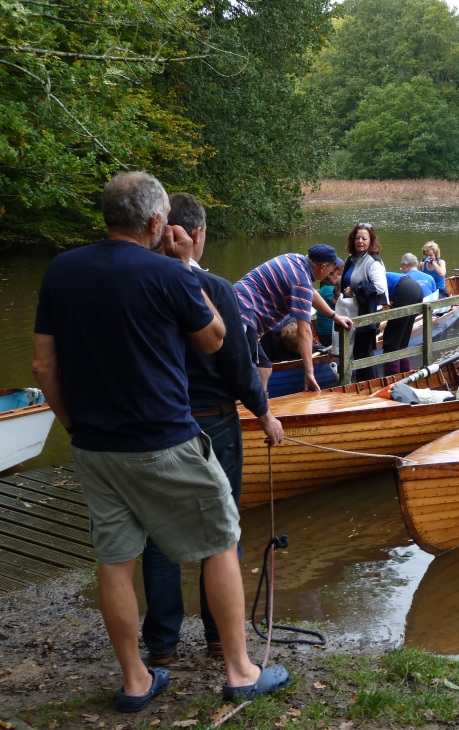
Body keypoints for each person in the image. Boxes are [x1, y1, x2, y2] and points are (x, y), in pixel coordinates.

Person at [32, 171, 289, 712]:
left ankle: (136, 681)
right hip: (166, 440)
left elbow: (44, 365)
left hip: (94, 447)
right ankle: (241, 670)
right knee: (221, 540)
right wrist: (183, 267)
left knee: (116, 558)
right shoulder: (169, 273)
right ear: (155, 222)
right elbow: (216, 338)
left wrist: (74, 426)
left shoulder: (62, 270)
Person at [140, 192, 284, 668]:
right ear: (196, 235)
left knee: (159, 537)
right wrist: (264, 414)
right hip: (213, 424)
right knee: (221, 533)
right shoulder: (218, 290)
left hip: (155, 424)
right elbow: (240, 366)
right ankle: (220, 639)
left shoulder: (136, 286)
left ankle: (160, 645)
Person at [235, 244, 351, 392]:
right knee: (247, 373)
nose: (331, 272)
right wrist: (309, 372)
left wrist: (335, 316)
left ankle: (262, 409)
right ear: (323, 267)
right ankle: (245, 410)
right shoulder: (300, 281)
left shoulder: (294, 258)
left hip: (239, 308)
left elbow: (310, 292)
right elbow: (304, 332)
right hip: (242, 315)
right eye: (332, 268)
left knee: (264, 368)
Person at [341, 223, 388, 381]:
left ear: (371, 240)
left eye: (364, 238)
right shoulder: (351, 259)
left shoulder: (373, 262)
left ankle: (369, 385)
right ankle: (357, 383)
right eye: (357, 238)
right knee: (354, 350)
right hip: (351, 310)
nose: (360, 241)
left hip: (367, 311)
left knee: (364, 351)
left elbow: (380, 288)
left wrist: (355, 289)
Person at [382, 269, 424, 376]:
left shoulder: (369, 278)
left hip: (405, 290)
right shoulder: (377, 273)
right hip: (416, 289)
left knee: (391, 341)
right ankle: (405, 376)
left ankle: (392, 380)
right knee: (402, 340)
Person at [316, 264, 343, 347]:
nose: (341, 277)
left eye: (342, 274)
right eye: (338, 274)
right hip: (329, 330)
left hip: (322, 330)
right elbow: (343, 305)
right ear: (329, 275)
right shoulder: (329, 289)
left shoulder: (324, 287)